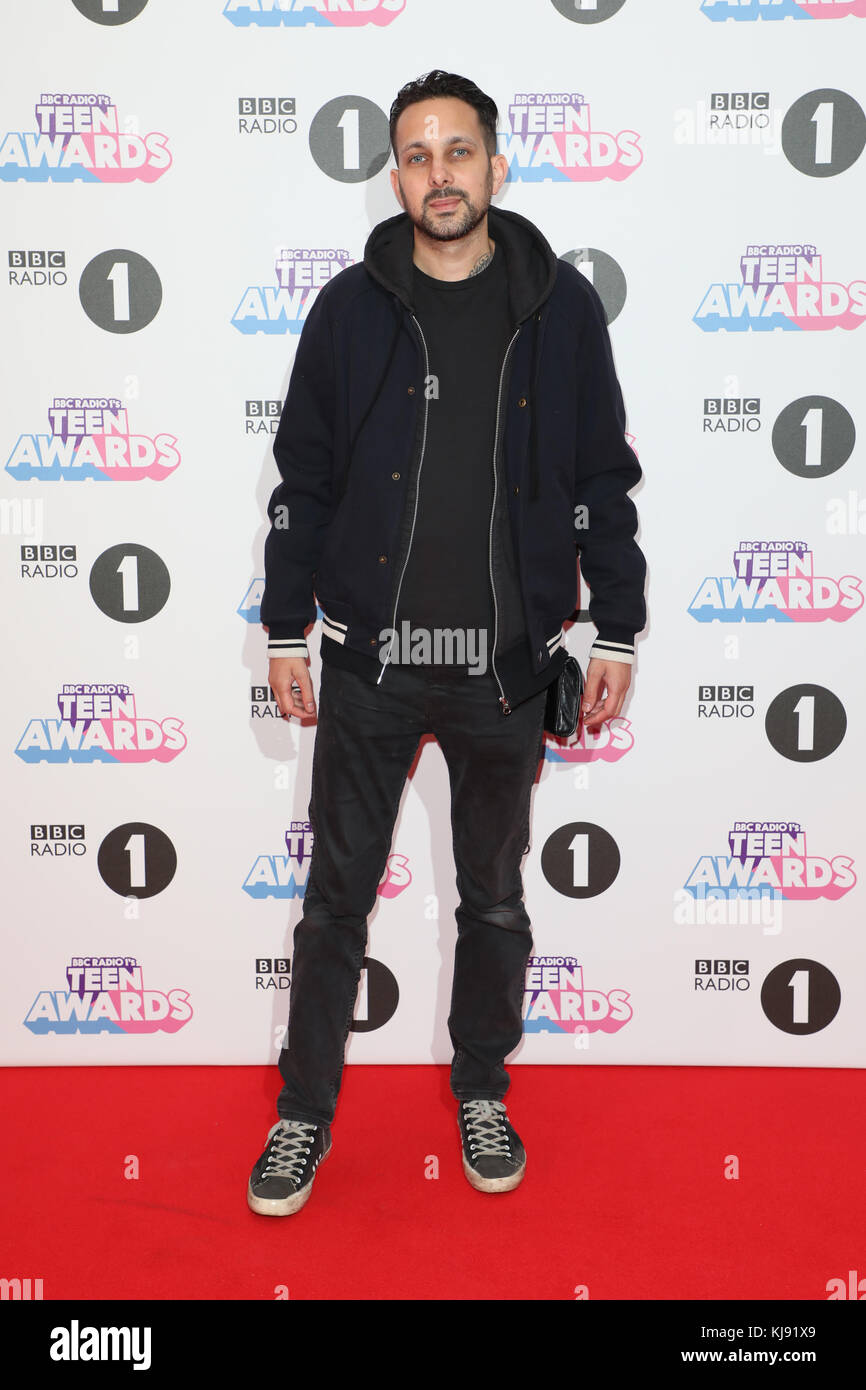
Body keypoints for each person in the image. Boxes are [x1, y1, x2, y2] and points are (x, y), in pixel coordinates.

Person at [247, 70, 646, 1216]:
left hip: (503, 669)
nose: (439, 175)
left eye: (457, 152)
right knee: (334, 903)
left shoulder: (558, 308)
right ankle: (301, 1116)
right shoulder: (348, 307)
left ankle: (481, 1087)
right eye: (417, 156)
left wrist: (614, 620)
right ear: (394, 175)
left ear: (495, 164)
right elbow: (303, 477)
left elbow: (599, 478)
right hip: (370, 663)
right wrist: (283, 624)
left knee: (494, 902)